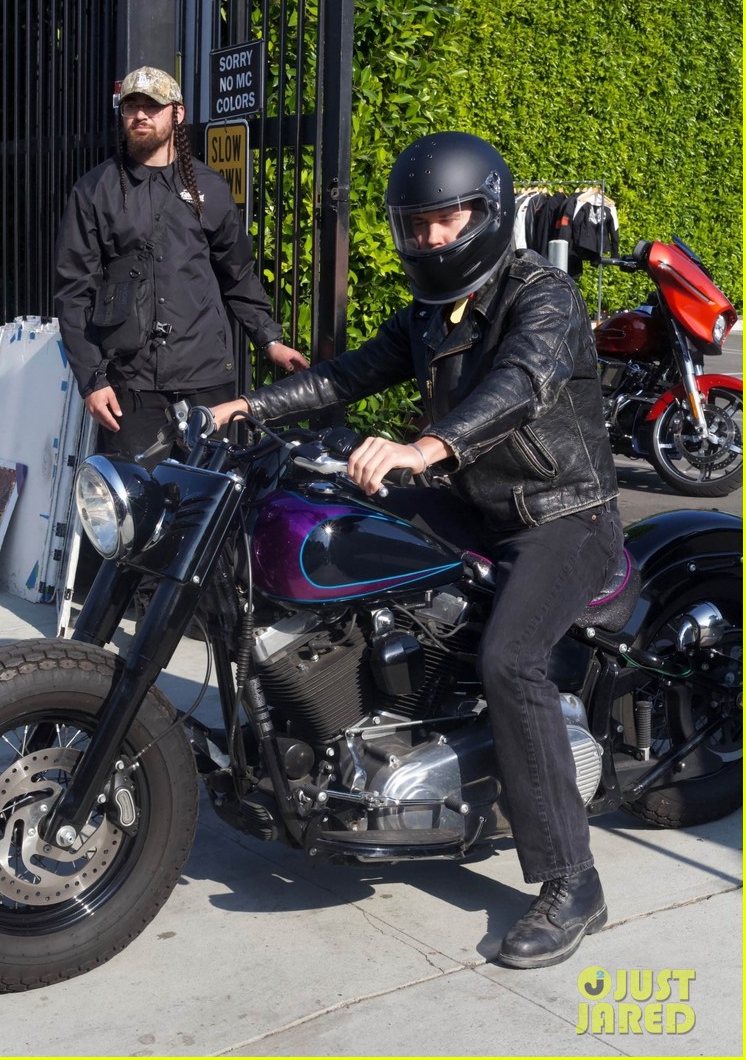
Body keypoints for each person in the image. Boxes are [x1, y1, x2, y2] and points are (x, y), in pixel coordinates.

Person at [210, 131, 623, 970]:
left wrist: (426, 447)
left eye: (448, 220)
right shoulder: (432, 312)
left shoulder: (542, 295)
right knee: (338, 531)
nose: (432, 238)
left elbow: (521, 385)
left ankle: (572, 880)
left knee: (512, 660)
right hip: (472, 503)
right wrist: (250, 408)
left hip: (562, 515)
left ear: (487, 214)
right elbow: (347, 375)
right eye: (417, 224)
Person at [54, 65, 308, 459]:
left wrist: (269, 340)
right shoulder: (94, 191)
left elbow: (238, 274)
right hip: (131, 384)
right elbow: (74, 293)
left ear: (177, 113)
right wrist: (92, 381)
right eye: (131, 106)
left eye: (152, 106)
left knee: (211, 491)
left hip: (206, 378)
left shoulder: (210, 187)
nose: (140, 115)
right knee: (134, 496)